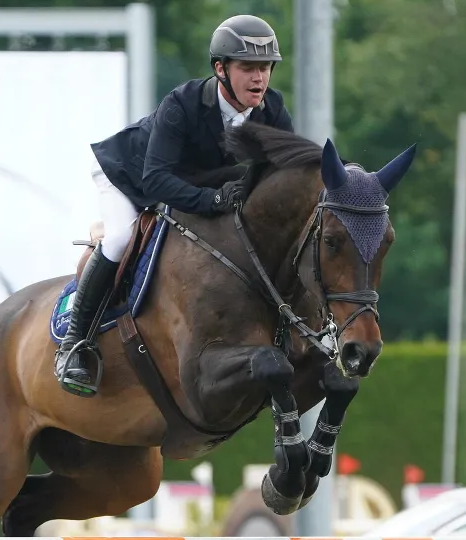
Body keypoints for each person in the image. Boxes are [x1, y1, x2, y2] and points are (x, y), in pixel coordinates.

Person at [57, 14, 295, 397]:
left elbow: (285, 174)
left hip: (185, 185)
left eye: (265, 67)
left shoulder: (272, 111)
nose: (259, 78)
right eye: (248, 67)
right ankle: (74, 345)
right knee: (119, 238)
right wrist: (213, 200)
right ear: (221, 68)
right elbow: (156, 179)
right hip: (128, 177)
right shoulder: (182, 103)